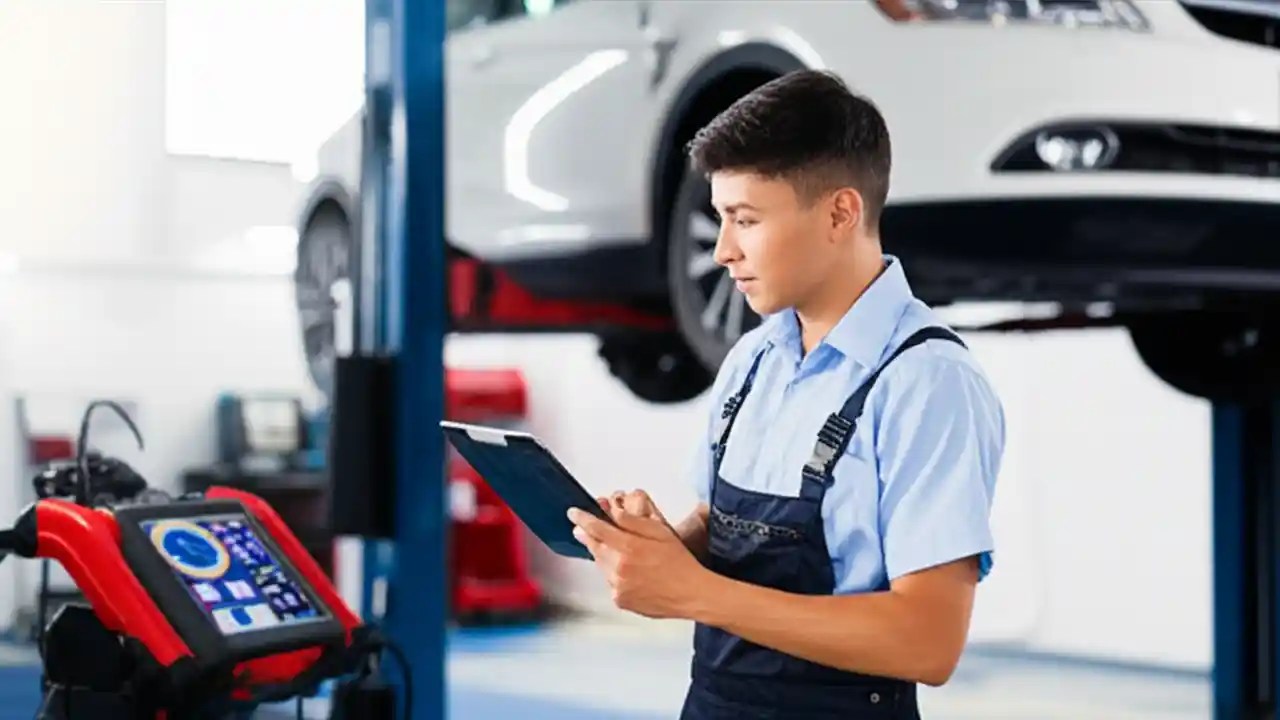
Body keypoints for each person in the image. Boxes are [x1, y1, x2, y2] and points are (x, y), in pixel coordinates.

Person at [568, 69, 1005, 719]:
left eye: (745, 219)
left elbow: (928, 641)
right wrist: (656, 545)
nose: (720, 251)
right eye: (720, 219)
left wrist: (692, 594)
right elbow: (721, 531)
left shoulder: (927, 383)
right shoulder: (753, 361)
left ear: (840, 213)